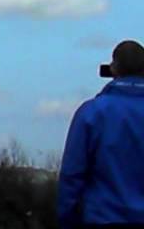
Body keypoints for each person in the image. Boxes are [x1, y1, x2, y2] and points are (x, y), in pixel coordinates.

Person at [59, 40, 144, 228]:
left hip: (102, 218)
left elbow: (72, 175)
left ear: (113, 69)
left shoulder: (92, 113)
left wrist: (68, 220)